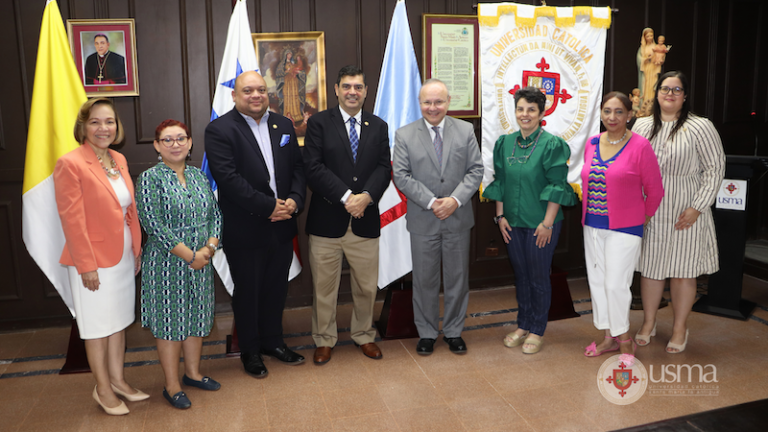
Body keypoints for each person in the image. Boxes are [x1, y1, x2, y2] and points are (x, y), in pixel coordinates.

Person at [205, 71, 306, 378]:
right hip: (246, 228)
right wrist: (268, 207)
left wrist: (294, 200)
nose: (256, 95)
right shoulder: (219, 129)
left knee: (276, 289)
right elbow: (229, 179)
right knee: (248, 292)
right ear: (235, 95)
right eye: (247, 90)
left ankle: (273, 342)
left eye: (261, 90)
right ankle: (250, 351)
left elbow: (298, 169)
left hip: (282, 225)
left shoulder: (284, 124)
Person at [54, 98, 147, 415]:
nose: (103, 128)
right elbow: (72, 220)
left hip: (121, 255)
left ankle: (119, 380)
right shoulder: (71, 163)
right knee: (96, 327)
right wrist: (86, 265)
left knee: (119, 322)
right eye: (95, 122)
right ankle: (103, 389)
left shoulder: (118, 158)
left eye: (109, 121)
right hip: (91, 260)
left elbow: (129, 210)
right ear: (83, 126)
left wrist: (135, 249)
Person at [303, 65, 391, 365]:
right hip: (327, 222)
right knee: (323, 289)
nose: (353, 91)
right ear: (337, 90)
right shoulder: (318, 123)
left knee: (366, 287)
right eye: (347, 86)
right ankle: (324, 340)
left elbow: (383, 168)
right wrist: (346, 197)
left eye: (358, 87)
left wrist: (366, 197)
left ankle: (364, 335)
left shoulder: (378, 126)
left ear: (365, 92)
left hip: (365, 220)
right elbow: (313, 168)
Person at [632, 71, 725, 353]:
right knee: (651, 268)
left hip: (688, 209)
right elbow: (631, 167)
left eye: (676, 89)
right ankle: (648, 323)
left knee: (684, 271)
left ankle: (679, 327)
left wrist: (698, 207)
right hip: (651, 209)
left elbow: (715, 169)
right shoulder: (642, 126)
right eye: (665, 88)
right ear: (657, 93)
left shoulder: (701, 126)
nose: (670, 94)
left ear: (685, 96)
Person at [393, 79, 484, 356]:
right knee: (425, 280)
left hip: (457, 218)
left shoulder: (465, 130)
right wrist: (433, 202)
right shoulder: (404, 134)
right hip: (423, 218)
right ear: (420, 103)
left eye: (438, 101)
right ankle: (427, 333)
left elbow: (475, 170)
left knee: (457, 278)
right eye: (427, 102)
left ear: (448, 101)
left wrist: (454, 200)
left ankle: (454, 331)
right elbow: (401, 175)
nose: (433, 107)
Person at [483, 87, 576, 355]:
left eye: (531, 110)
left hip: (540, 225)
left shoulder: (551, 145)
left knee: (538, 277)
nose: (525, 115)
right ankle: (523, 324)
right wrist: (499, 216)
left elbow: (557, 186)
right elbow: (500, 182)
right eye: (520, 109)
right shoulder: (505, 143)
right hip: (512, 222)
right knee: (521, 276)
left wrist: (547, 223)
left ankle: (537, 329)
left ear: (542, 112)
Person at [136, 119, 222, 410]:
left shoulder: (198, 176)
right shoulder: (150, 178)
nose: (176, 144)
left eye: (181, 138)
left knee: (197, 317)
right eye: (168, 140)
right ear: (157, 146)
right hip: (167, 264)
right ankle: (171, 385)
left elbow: (215, 215)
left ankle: (193, 374)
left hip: (202, 259)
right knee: (171, 323)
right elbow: (153, 224)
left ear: (190, 142)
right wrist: (190, 255)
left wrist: (209, 248)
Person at [581, 92, 664, 364]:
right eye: (607, 111)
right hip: (592, 224)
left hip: (625, 227)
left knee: (616, 285)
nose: (612, 117)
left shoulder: (640, 146)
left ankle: (625, 342)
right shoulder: (593, 143)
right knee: (598, 283)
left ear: (630, 115)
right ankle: (608, 337)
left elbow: (655, 190)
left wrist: (645, 218)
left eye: (619, 112)